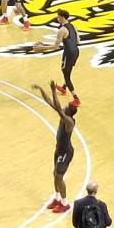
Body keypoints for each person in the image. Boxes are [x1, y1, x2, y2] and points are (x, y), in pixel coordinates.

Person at [45, 80, 79, 209]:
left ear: (69, 111)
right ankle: (57, 198)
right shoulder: (64, 116)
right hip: (59, 150)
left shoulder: (69, 121)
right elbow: (52, 104)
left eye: (67, 106)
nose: (64, 106)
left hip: (66, 152)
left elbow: (58, 108)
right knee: (55, 174)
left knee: (59, 176)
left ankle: (65, 203)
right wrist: (42, 91)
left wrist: (54, 91)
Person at [56, 14, 81, 91]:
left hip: (68, 53)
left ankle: (76, 98)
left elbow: (55, 46)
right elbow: (78, 41)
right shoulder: (73, 26)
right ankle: (64, 87)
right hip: (76, 51)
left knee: (66, 75)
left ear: (62, 17)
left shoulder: (62, 30)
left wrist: (42, 48)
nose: (57, 18)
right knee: (67, 71)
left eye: (58, 17)